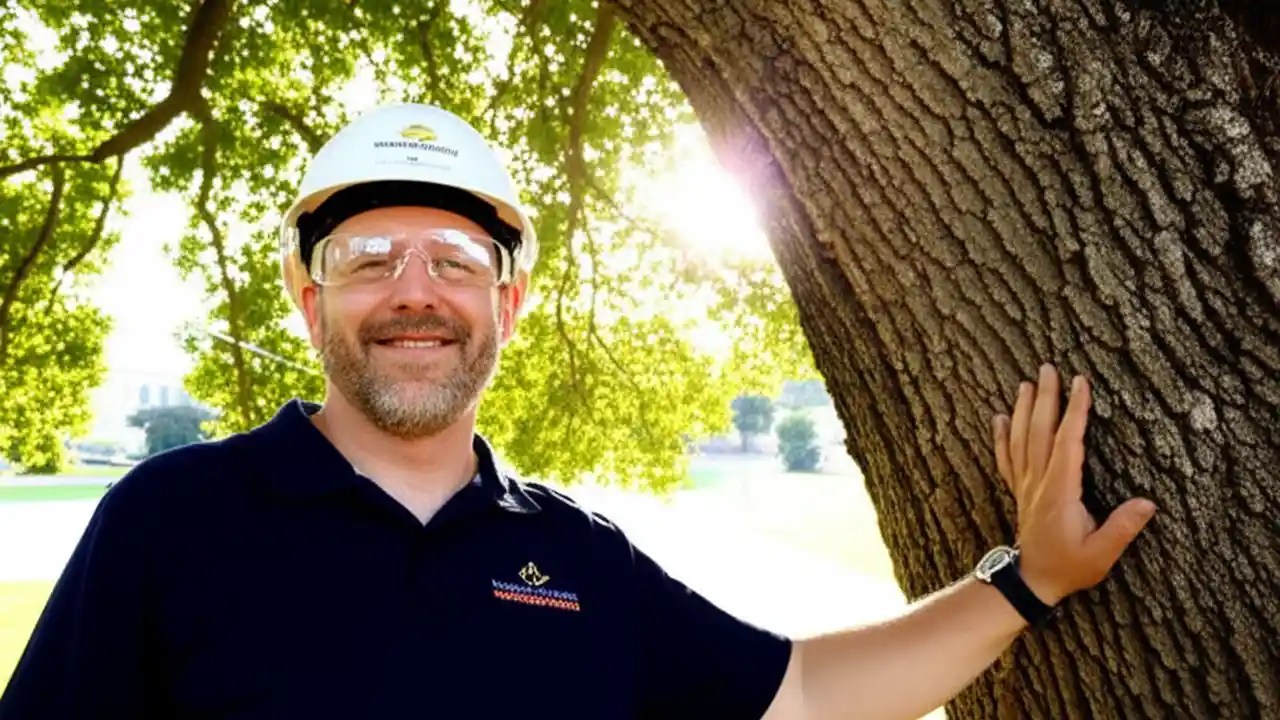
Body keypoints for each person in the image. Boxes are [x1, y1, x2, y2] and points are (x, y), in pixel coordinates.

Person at [0, 104, 1157, 719]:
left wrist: (1029, 579)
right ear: (309, 300)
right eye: (367, 258)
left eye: (454, 258)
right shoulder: (170, 520)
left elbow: (802, 695)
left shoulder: (576, 561)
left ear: (507, 300)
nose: (414, 291)